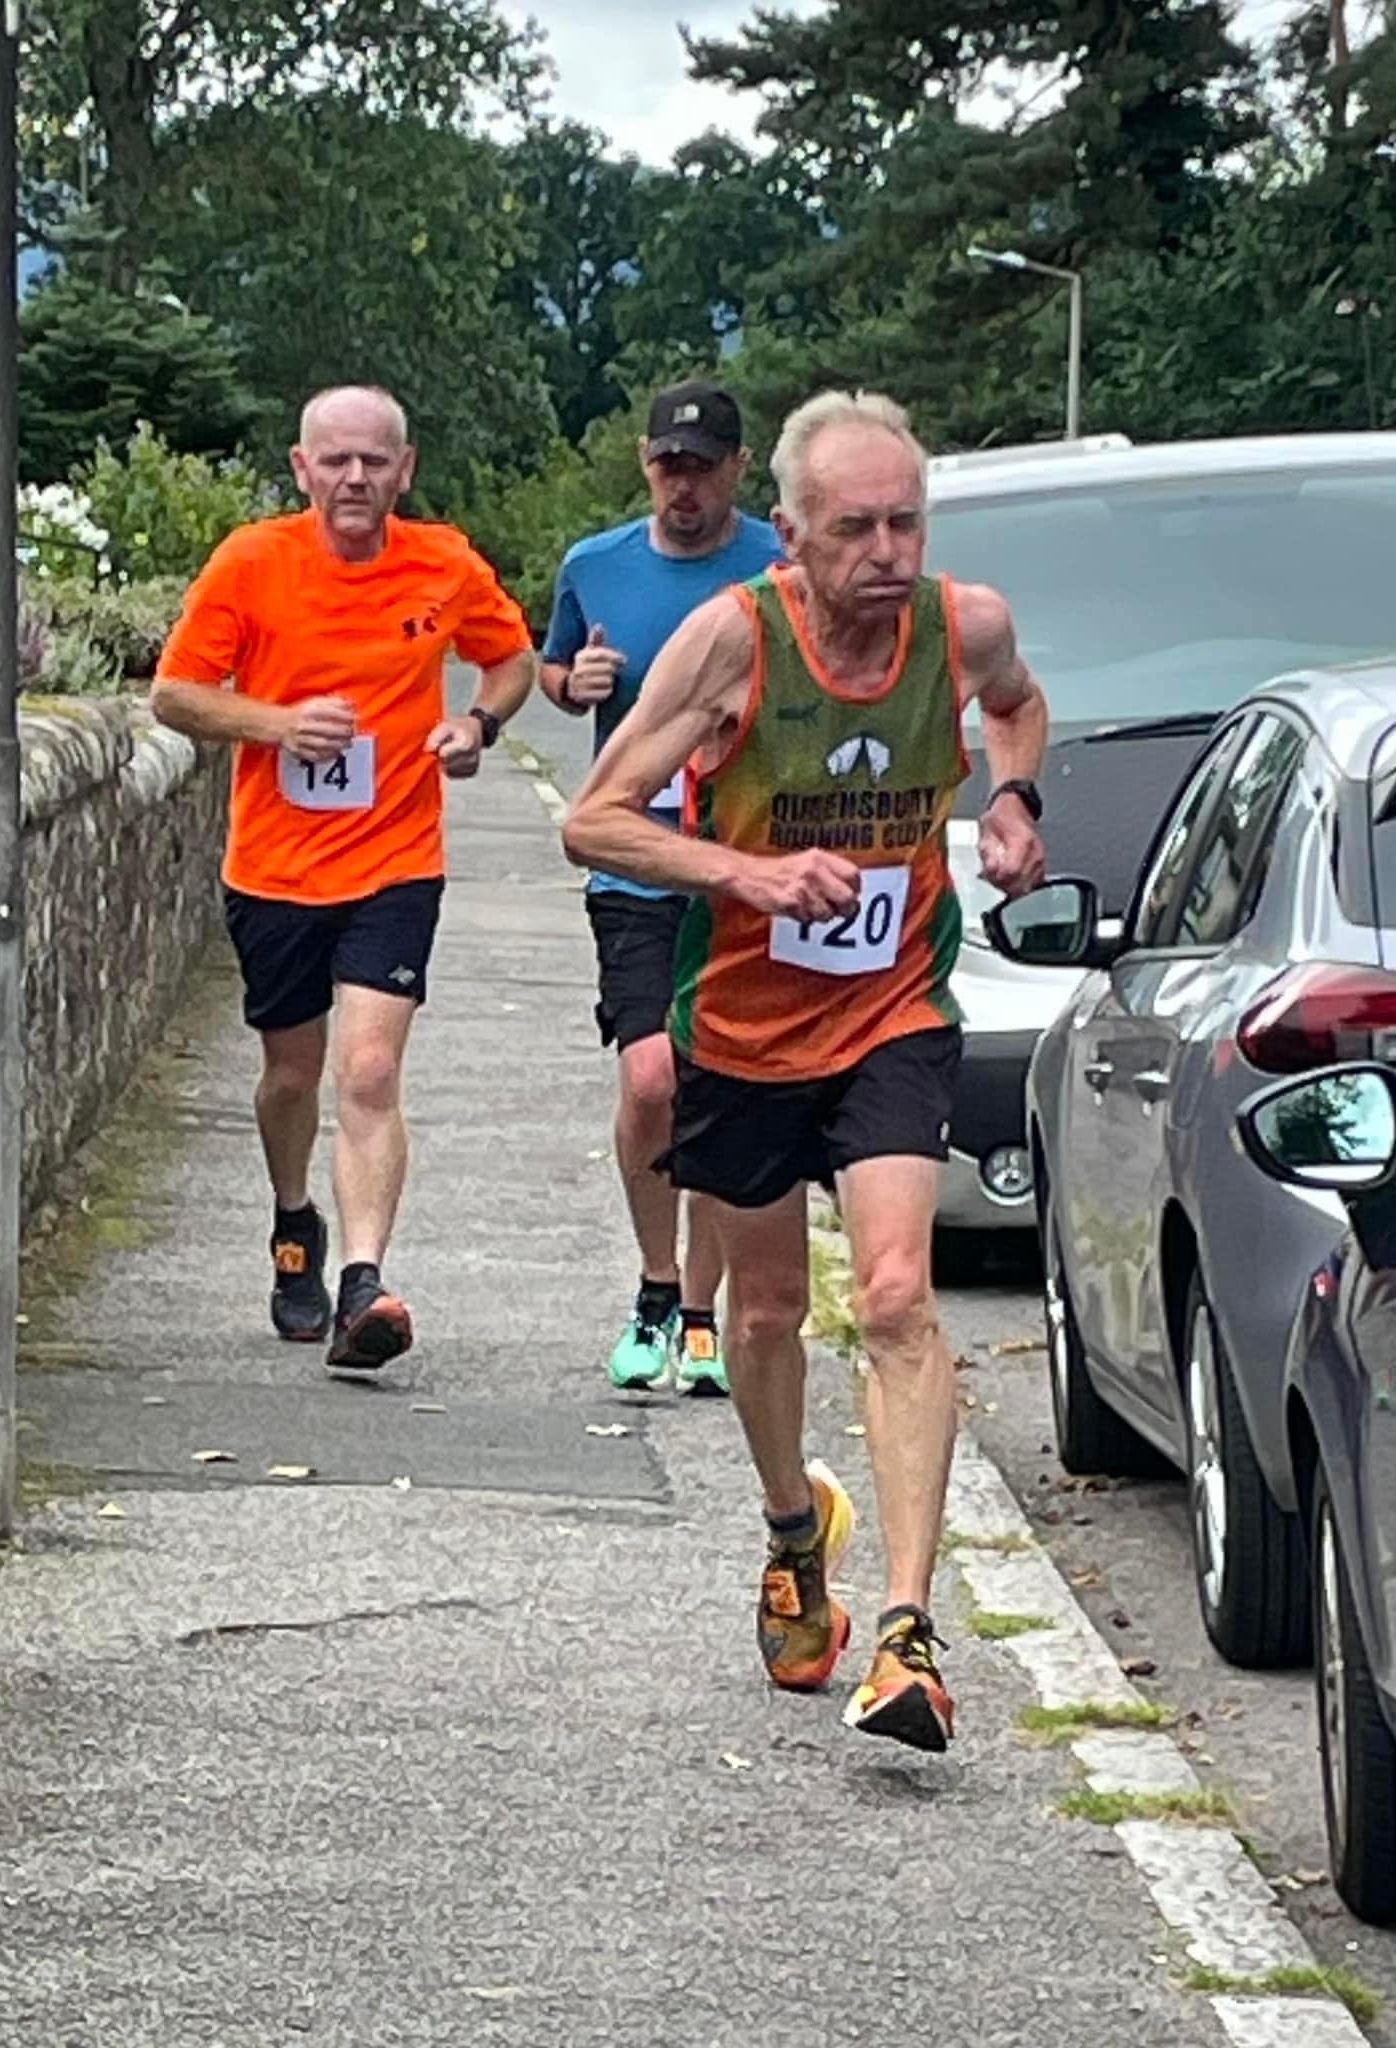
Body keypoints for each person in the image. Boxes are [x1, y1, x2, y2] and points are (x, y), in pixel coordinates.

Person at [562, 389, 1049, 1751]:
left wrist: (1013, 800)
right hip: (742, 1026)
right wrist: (747, 874)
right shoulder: (732, 646)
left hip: (895, 1009)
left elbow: (1016, 710)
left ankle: (906, 1634)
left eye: (905, 522)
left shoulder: (965, 627)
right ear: (791, 533)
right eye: (855, 528)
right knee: (767, 1314)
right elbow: (594, 821)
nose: (886, 552)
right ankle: (795, 1531)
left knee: (896, 1293)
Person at [152, 385, 535, 1374]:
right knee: (291, 1074)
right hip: (275, 868)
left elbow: (511, 659)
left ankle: (365, 1282)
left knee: (367, 1071)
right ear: (302, 468)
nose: (355, 478)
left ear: (404, 470)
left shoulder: (444, 561)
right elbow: (173, 694)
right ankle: (295, 1227)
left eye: (374, 461)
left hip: (396, 861)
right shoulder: (253, 561)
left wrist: (476, 725)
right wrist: (277, 725)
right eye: (336, 460)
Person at [541, 380, 784, 1398]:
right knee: (651, 1080)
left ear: (737, 466)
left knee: (718, 1086)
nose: (684, 485)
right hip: (636, 860)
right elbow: (553, 670)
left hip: (742, 864)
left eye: (703, 466)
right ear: (646, 464)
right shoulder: (595, 565)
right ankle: (655, 1283)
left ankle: (698, 1314)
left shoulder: (779, 566)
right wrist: (575, 684)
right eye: (666, 465)